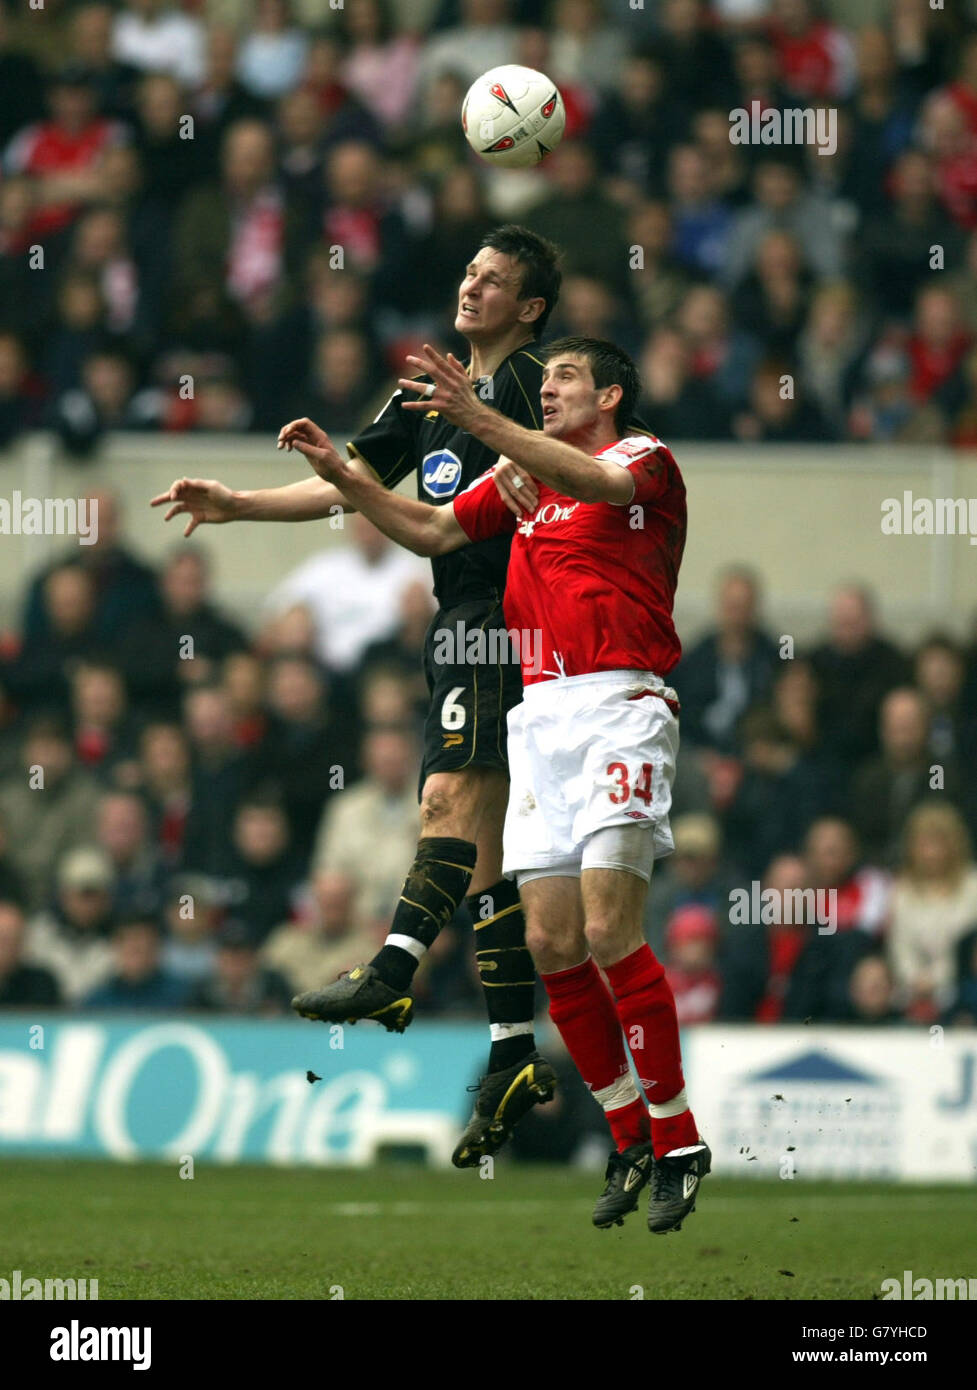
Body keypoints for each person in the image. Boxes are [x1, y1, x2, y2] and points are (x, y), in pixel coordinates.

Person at [152, 226, 562, 1167]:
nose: (470, 287)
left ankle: (392, 969)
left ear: (529, 308)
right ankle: (509, 1049)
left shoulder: (544, 386)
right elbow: (356, 481)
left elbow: (427, 524)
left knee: (443, 801)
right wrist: (239, 504)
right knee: (486, 852)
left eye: (493, 281)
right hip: (462, 618)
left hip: (507, 615)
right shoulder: (424, 394)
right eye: (467, 271)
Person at [285, 335, 708, 1236]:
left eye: (564, 378)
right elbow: (434, 531)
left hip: (619, 702)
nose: (547, 389)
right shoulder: (525, 482)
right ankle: (628, 1134)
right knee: (552, 942)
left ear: (611, 394)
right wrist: (349, 479)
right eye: (544, 376)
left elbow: (598, 485)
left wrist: (482, 421)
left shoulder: (641, 458)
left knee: (606, 927)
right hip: (540, 719)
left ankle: (679, 1141)